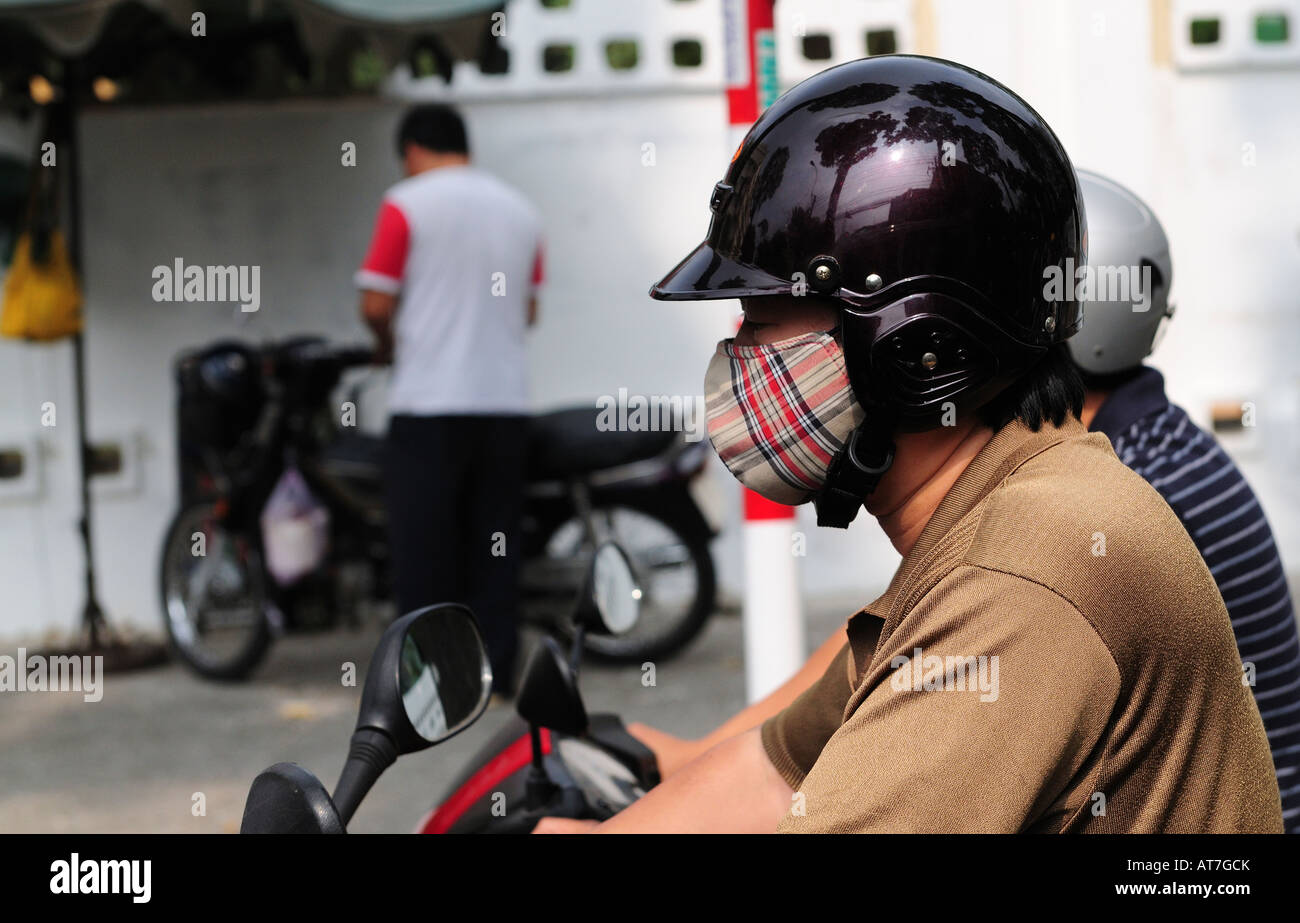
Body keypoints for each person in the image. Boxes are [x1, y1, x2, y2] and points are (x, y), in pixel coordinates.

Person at [536, 55, 1281, 832]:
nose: (737, 355)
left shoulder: (1026, 572)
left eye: (760, 322)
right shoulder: (992, 508)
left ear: (920, 348)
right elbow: (772, 773)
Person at [355, 103, 544, 696]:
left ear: (412, 149)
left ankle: (434, 684)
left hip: (429, 404)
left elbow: (375, 304)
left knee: (425, 553)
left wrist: (386, 345)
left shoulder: (405, 204)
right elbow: (529, 310)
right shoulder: (521, 210)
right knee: (495, 547)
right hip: (504, 407)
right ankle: (497, 675)